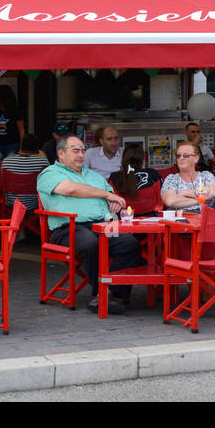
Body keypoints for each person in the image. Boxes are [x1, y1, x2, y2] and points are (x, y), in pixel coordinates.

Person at [37, 134, 143, 315]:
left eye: (83, 151)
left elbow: (112, 199)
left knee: (130, 243)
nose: (80, 155)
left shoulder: (94, 176)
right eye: (75, 150)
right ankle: (102, 292)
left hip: (102, 225)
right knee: (90, 243)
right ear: (61, 153)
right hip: (68, 228)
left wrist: (113, 202)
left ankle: (113, 293)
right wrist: (107, 195)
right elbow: (71, 189)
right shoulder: (49, 173)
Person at [160, 141, 215, 212]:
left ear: (196, 158)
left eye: (186, 155)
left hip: (204, 219)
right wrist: (200, 199)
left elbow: (213, 192)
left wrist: (184, 193)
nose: (181, 158)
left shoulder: (206, 176)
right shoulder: (171, 179)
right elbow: (170, 201)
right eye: (178, 156)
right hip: (179, 220)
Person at [2, 133, 49, 212]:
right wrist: (44, 156)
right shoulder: (43, 162)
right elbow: (48, 180)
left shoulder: (6, 162)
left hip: (12, 202)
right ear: (37, 148)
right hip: (35, 203)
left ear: (21, 146)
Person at [0, 85, 25, 162]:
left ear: (2, 96)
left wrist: (21, 148)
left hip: (12, 145)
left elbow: (21, 130)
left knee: (10, 169)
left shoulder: (15, 111)